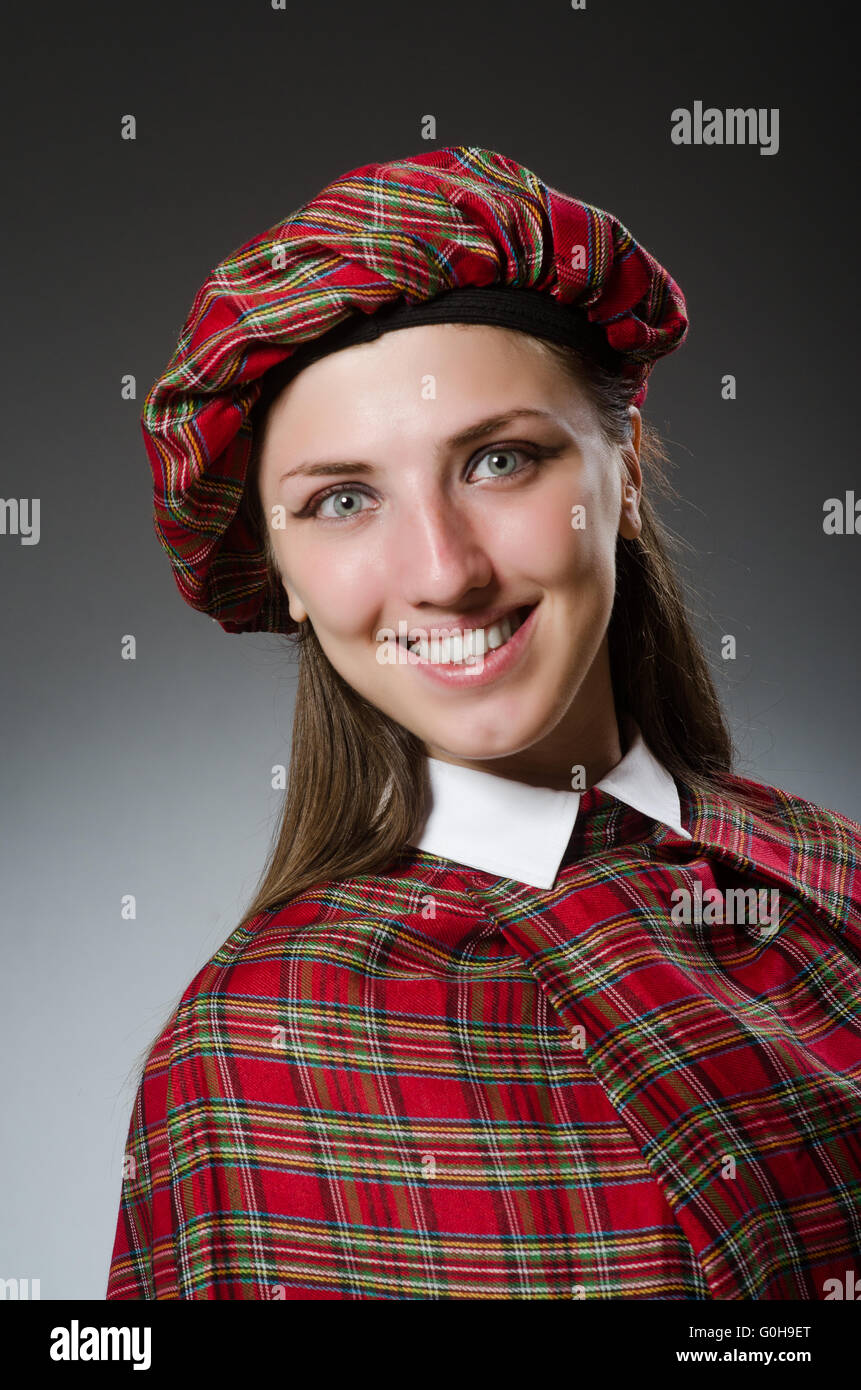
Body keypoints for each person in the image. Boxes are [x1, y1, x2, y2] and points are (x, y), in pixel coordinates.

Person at [106, 145, 861, 1301]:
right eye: (343, 500)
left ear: (625, 478)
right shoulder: (243, 1062)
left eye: (500, 460)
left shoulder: (838, 877)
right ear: (285, 573)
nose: (444, 573)